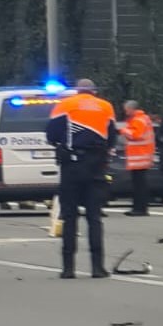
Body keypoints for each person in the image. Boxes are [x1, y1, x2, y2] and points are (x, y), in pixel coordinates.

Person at [46, 78, 117, 279]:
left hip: (72, 167)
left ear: (77, 91)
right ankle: (97, 267)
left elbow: (51, 135)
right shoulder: (106, 107)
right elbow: (111, 137)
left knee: (69, 217)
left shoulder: (66, 105)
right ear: (93, 91)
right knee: (94, 218)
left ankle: (68, 268)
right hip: (96, 167)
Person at [121, 101, 155, 216]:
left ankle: (139, 208)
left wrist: (123, 130)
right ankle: (138, 207)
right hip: (142, 156)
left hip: (139, 156)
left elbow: (136, 135)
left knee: (139, 185)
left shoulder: (138, 120)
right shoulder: (142, 119)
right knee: (139, 184)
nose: (125, 112)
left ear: (132, 109)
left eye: (126, 110)